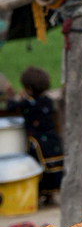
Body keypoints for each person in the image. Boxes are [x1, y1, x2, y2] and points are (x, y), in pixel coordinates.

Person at [5, 66, 63, 205]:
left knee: (35, 167)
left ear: (28, 88)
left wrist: (11, 97)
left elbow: (11, 107)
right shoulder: (47, 101)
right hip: (52, 140)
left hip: (36, 141)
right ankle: (50, 196)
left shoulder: (28, 102)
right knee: (51, 166)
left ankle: (37, 196)